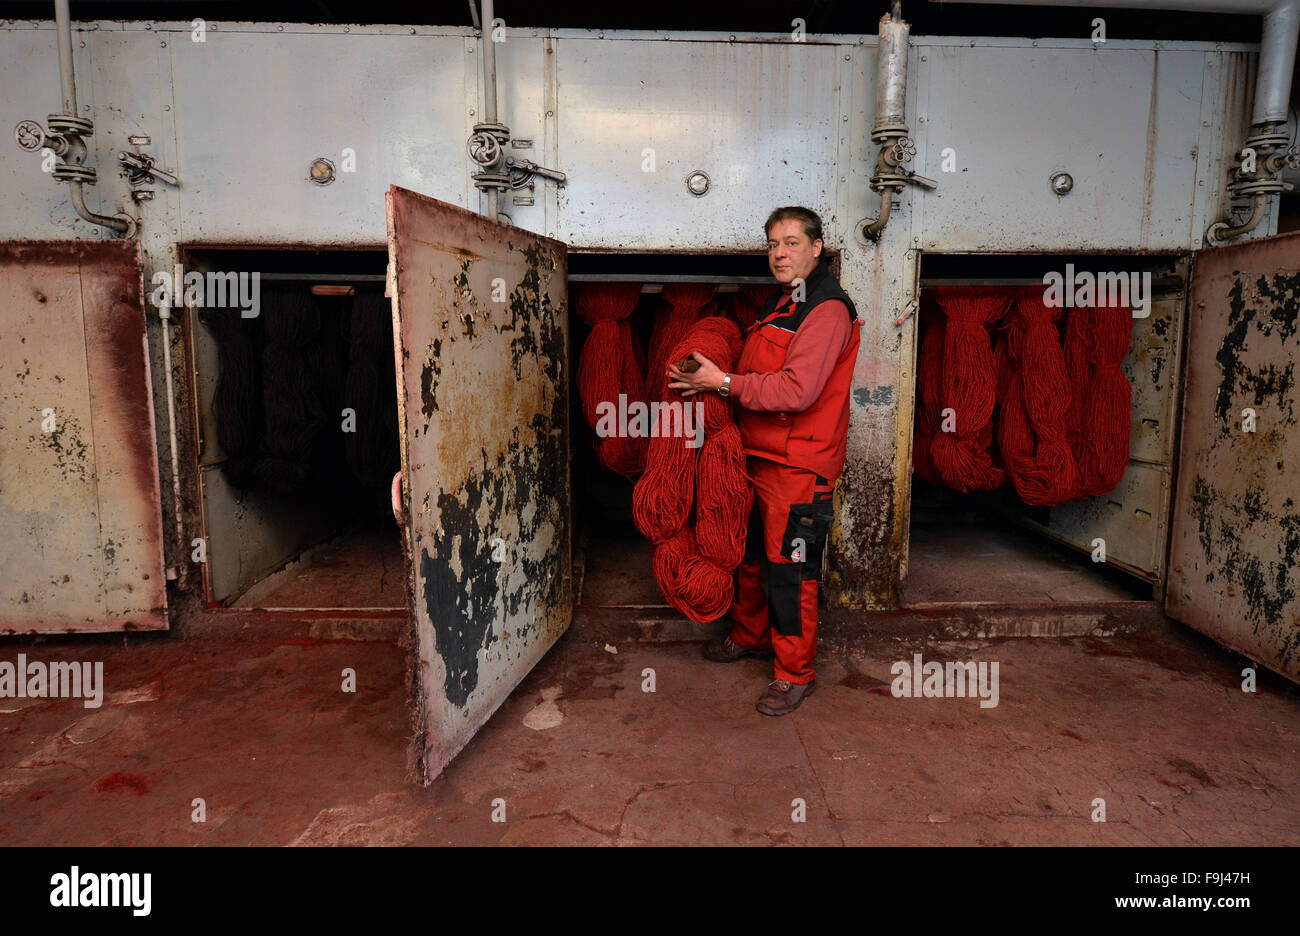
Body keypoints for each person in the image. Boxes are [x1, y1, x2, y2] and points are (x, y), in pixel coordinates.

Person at [667, 206, 860, 716]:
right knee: (749, 556)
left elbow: (797, 390)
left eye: (792, 243)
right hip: (754, 458)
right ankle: (751, 636)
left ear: (817, 248)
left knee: (791, 572)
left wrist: (722, 384)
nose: (779, 252)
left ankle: (793, 672)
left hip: (798, 468)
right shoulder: (781, 305)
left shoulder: (826, 310)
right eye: (773, 244)